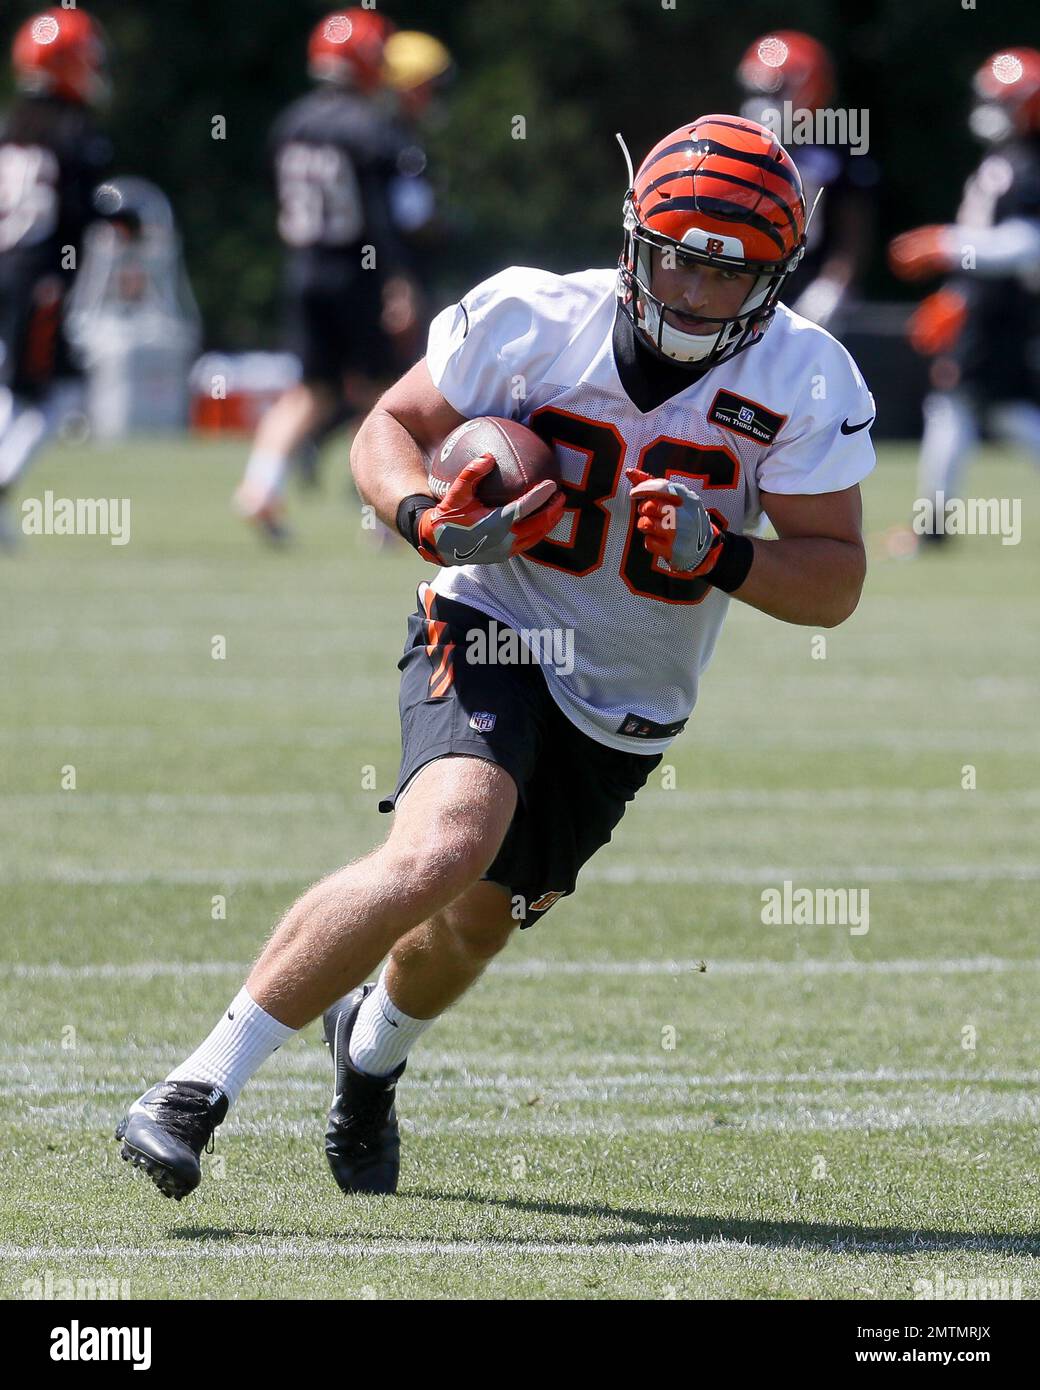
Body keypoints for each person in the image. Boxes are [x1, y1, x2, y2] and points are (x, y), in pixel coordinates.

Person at [116, 115, 875, 1202]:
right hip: (488, 616)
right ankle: (195, 1086)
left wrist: (727, 555)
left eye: (725, 272)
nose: (690, 291)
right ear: (631, 237)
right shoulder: (531, 315)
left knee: (467, 926)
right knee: (444, 847)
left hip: (624, 697)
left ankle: (367, 1057)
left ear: (773, 276)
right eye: (672, 256)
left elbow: (834, 578)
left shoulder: (806, 374)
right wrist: (425, 515)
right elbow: (389, 422)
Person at [233, 8, 419, 539]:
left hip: (303, 265)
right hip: (356, 271)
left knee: (309, 389)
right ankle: (385, 515)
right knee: (384, 393)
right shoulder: (371, 127)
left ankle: (259, 485)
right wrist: (397, 279)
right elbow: (383, 216)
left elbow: (276, 192)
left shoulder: (291, 122)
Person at [889, 48, 1040, 544]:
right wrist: (956, 295)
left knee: (983, 404)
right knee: (970, 403)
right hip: (988, 306)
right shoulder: (1005, 159)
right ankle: (933, 525)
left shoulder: (1028, 164)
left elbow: (1027, 244)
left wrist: (943, 243)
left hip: (1007, 311)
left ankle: (933, 525)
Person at [0, 6, 111, 544]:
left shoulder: (12, 125)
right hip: (38, 274)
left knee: (24, 384)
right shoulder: (71, 131)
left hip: (8, 264)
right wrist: (118, 215)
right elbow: (79, 209)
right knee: (45, 392)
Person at [737, 30, 877, 331]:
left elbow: (853, 227)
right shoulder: (736, 143)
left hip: (807, 281)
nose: (761, 104)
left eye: (772, 92)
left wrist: (834, 283)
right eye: (756, 92)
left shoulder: (838, 150)